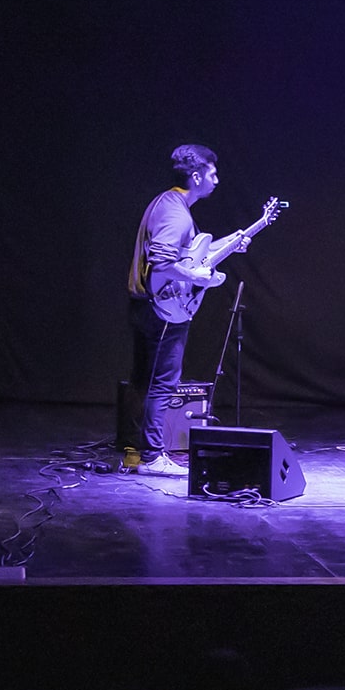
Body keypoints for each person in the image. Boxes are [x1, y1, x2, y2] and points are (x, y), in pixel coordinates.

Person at [125, 144, 245, 477]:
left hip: (145, 306)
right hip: (162, 312)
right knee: (162, 384)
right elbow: (162, 261)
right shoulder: (177, 213)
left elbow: (188, 255)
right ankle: (151, 457)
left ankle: (136, 452)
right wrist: (193, 276)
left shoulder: (167, 204)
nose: (217, 180)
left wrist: (231, 242)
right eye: (212, 173)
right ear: (196, 176)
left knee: (143, 381)